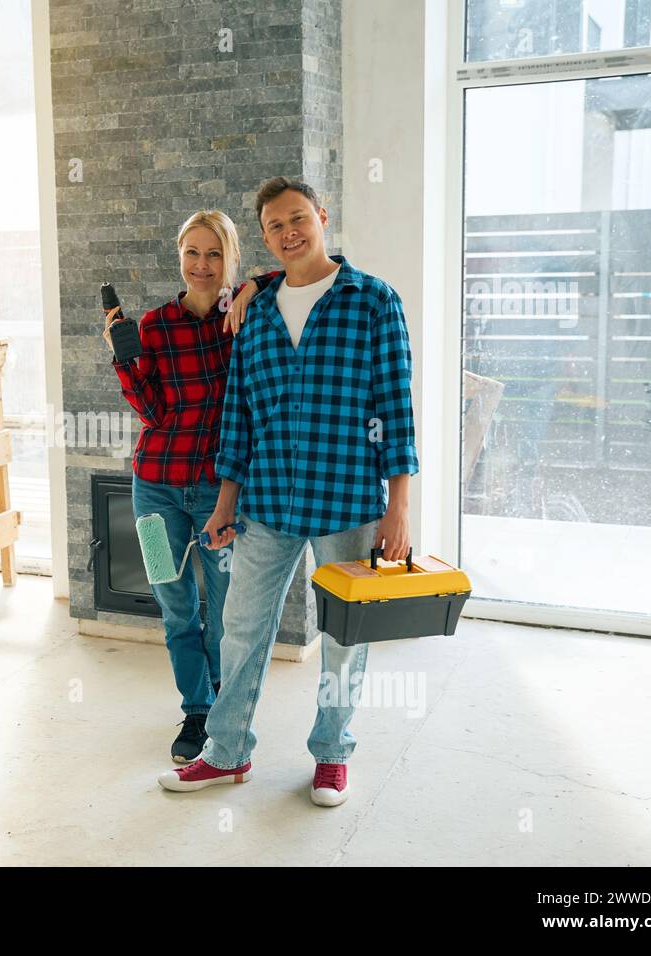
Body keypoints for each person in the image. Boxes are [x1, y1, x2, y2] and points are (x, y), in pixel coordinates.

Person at [157, 178, 418, 806]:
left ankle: (331, 754)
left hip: (350, 500)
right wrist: (224, 502)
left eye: (298, 218)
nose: (289, 232)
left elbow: (396, 407)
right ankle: (225, 753)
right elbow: (239, 417)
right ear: (266, 239)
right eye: (275, 226)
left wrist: (400, 507)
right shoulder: (257, 310)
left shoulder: (373, 301)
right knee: (241, 629)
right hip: (266, 501)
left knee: (343, 638)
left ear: (322, 217)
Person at [104, 210, 270, 763]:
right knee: (174, 606)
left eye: (215, 254)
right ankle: (196, 710)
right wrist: (125, 357)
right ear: (180, 256)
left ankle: (223, 702)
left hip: (218, 492)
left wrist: (253, 287)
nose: (202, 265)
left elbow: (302, 273)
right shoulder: (153, 326)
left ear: (232, 259)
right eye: (192, 253)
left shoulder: (246, 317)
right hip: (151, 488)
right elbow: (151, 411)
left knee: (226, 610)